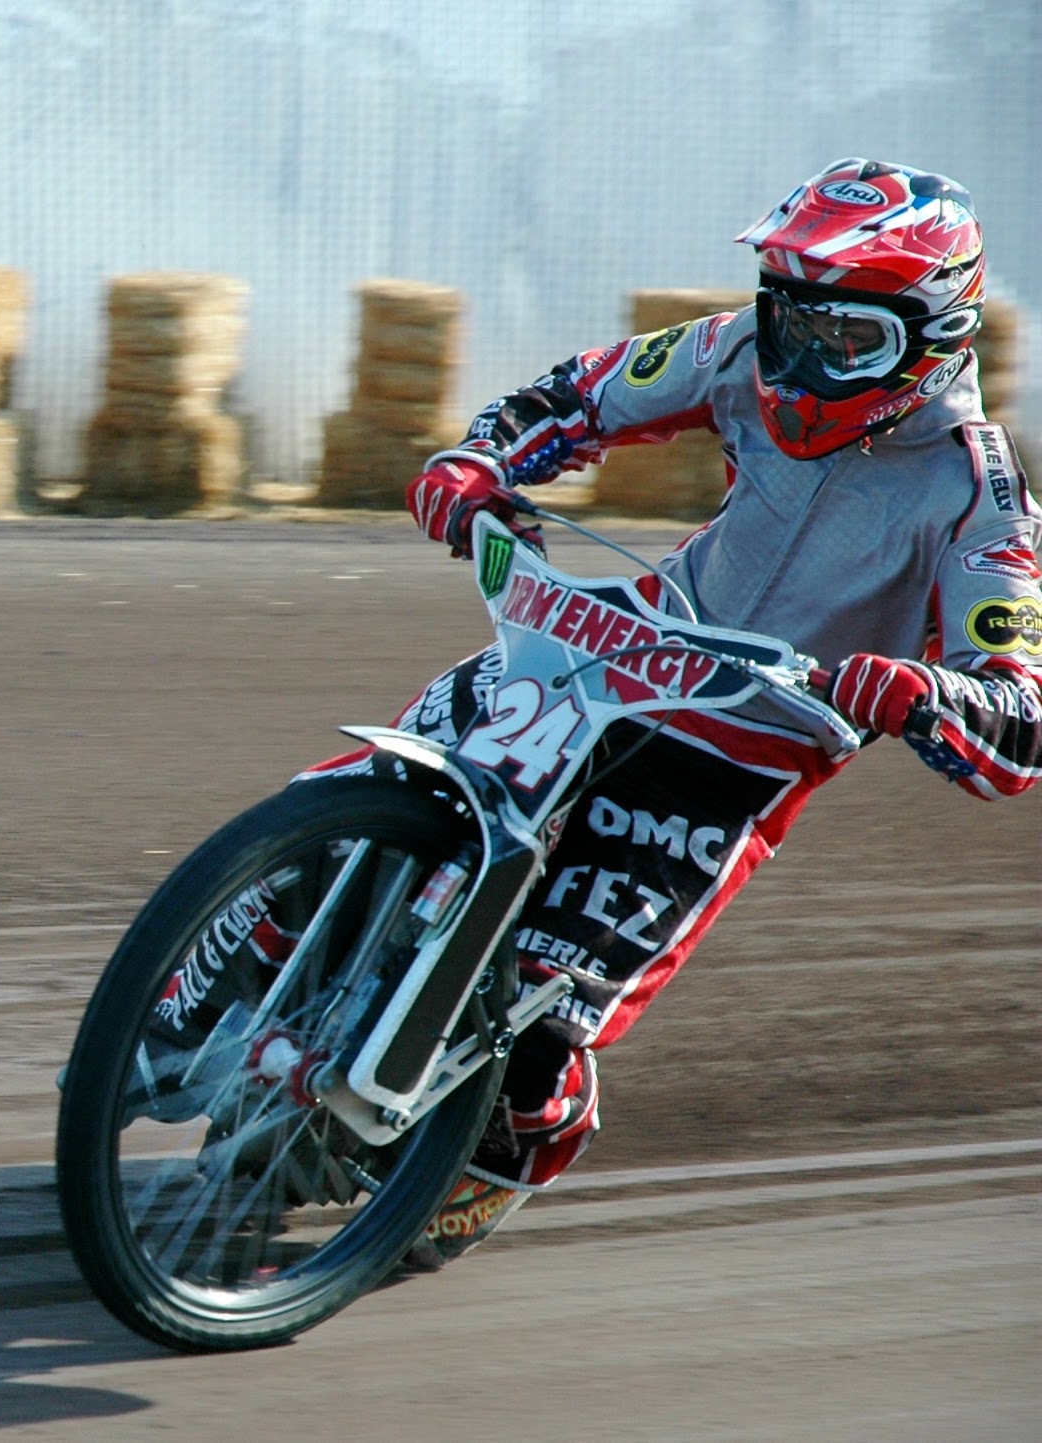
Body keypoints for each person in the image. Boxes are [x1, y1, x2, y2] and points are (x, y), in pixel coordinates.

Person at [398, 157, 1042, 1265]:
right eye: (788, 319)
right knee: (395, 787)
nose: (797, 361)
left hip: (746, 747)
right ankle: (202, 975)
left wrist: (920, 688)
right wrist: (477, 459)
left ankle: (500, 1157)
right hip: (617, 649)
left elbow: (1019, 722)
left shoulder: (979, 494)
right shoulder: (738, 347)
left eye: (845, 341)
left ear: (930, 336)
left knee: (541, 1024)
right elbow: (579, 394)